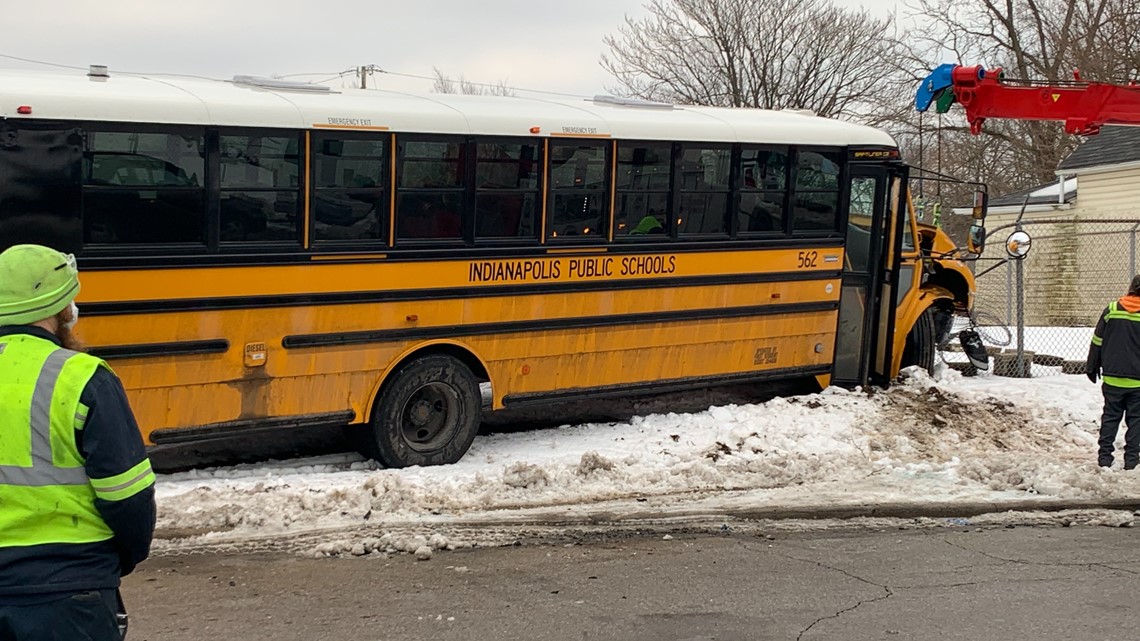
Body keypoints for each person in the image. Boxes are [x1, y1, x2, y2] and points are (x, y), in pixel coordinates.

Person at [0, 244, 156, 640]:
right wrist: (116, 561)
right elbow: (127, 496)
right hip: (67, 588)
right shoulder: (83, 378)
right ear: (60, 309)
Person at [1088, 274, 1140, 470]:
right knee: (1136, 420)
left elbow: (1097, 340)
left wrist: (1092, 365)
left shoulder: (1112, 309)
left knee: (1110, 416)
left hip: (1112, 377)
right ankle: (1132, 460)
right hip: (1138, 381)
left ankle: (1104, 458)